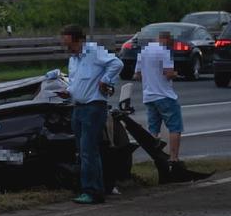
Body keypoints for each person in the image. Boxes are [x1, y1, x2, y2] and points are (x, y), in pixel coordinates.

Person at [58, 24, 123, 205]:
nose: (68, 48)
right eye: (65, 44)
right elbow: (74, 82)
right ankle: (95, 187)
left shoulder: (94, 51)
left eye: (70, 44)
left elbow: (117, 63)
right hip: (78, 107)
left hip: (93, 107)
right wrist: (68, 92)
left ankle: (92, 191)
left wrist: (105, 80)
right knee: (84, 151)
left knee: (88, 151)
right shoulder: (73, 60)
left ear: (79, 40)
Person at [135, 30, 184, 168]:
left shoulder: (143, 52)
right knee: (175, 127)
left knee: (153, 130)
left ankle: (156, 159)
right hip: (164, 95)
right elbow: (168, 74)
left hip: (149, 96)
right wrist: (175, 74)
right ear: (167, 40)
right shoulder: (164, 52)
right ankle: (174, 158)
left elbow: (137, 75)